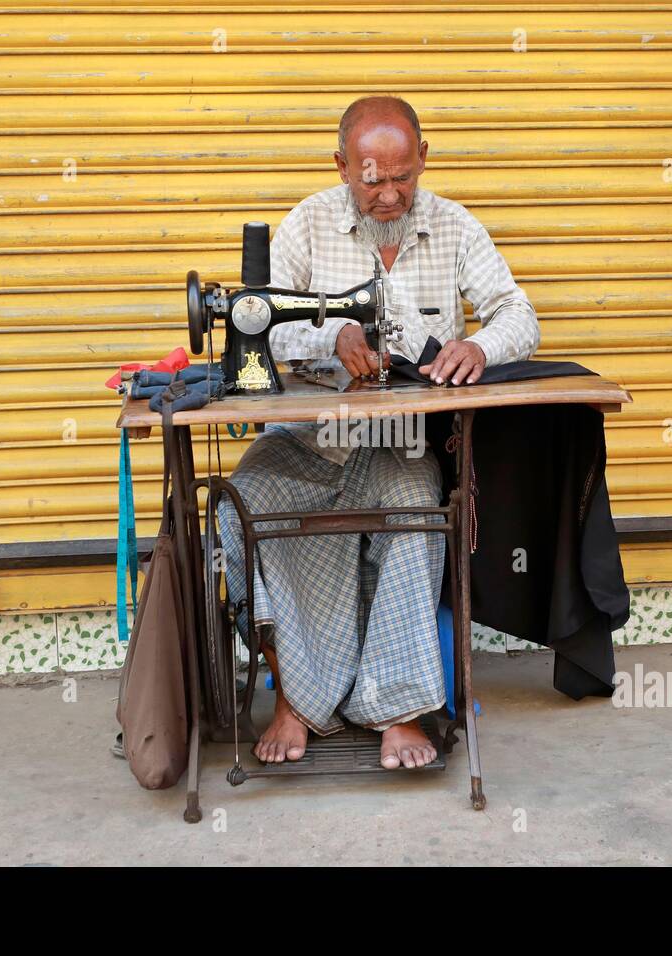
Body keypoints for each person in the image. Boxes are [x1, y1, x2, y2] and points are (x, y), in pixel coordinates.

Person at [217, 95, 540, 770]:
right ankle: (294, 698)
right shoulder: (307, 226)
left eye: (402, 177)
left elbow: (518, 314)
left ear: (423, 160)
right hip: (307, 441)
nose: (390, 194)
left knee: (415, 507)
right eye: (373, 180)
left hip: (403, 441)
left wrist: (480, 346)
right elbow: (261, 319)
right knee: (243, 504)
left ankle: (399, 710)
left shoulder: (453, 227)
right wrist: (330, 334)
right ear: (342, 166)